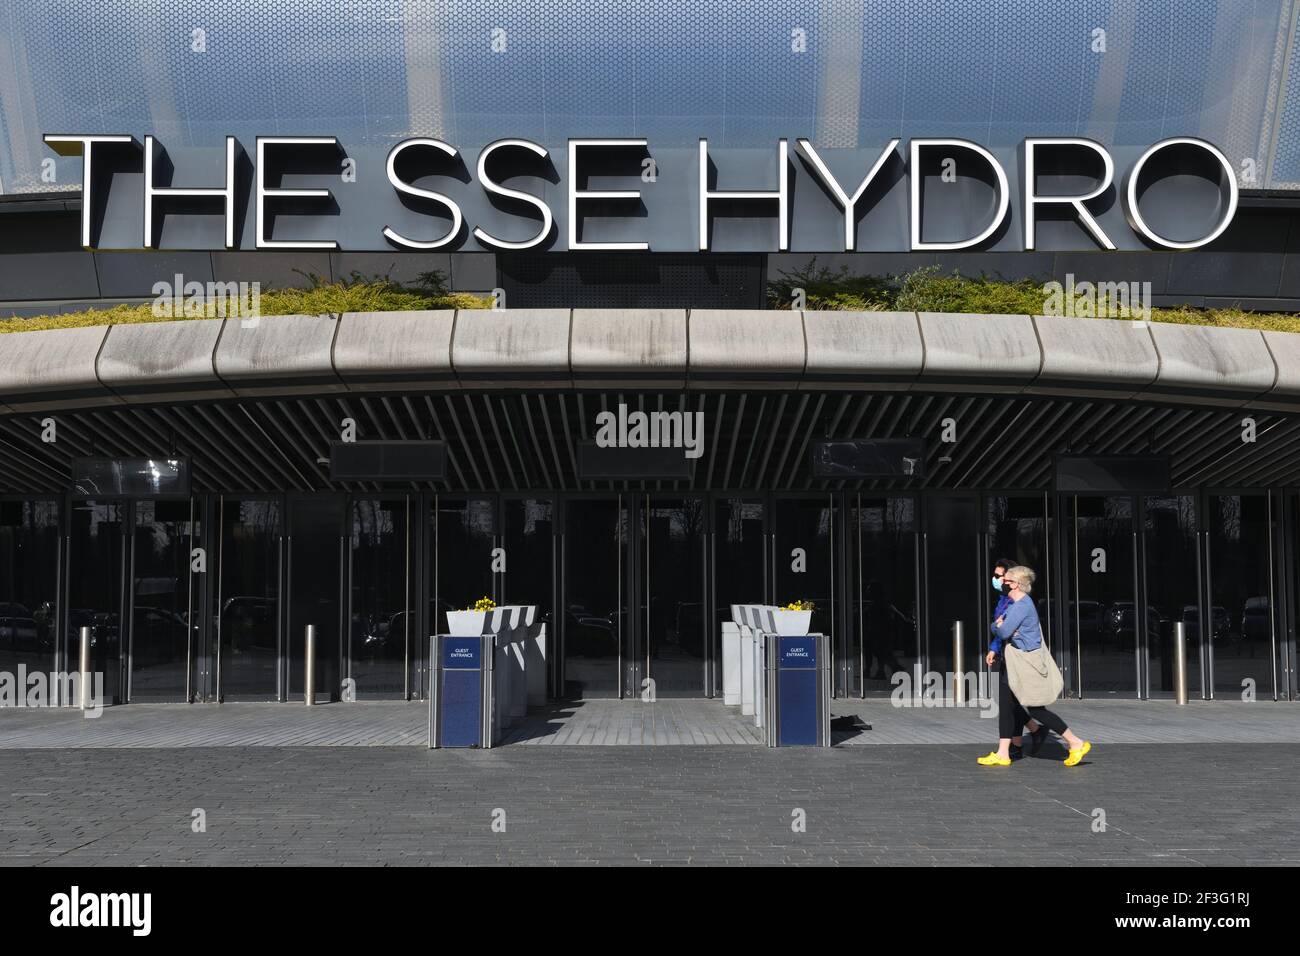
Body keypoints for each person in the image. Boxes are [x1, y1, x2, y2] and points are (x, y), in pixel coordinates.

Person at [977, 566, 1091, 767]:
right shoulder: (1015, 603)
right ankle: (1003, 753)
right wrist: (1000, 626)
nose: (1003, 583)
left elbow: (1002, 631)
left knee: (1036, 709)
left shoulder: (1022, 605)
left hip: (1025, 664)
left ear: (1017, 585)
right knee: (1006, 707)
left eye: (1007, 581)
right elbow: (1003, 628)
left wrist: (997, 626)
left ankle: (1075, 742)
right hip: (1013, 663)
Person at [988, 559, 1044, 760]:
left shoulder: (1016, 600)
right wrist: (994, 648)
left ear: (1010, 578)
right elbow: (1000, 629)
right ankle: (1019, 743)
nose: (995, 579)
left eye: (998, 576)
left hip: (1016, 658)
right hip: (1006, 654)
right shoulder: (1004, 598)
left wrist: (996, 631)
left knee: (1011, 702)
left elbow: (1002, 629)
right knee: (1009, 702)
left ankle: (1033, 734)